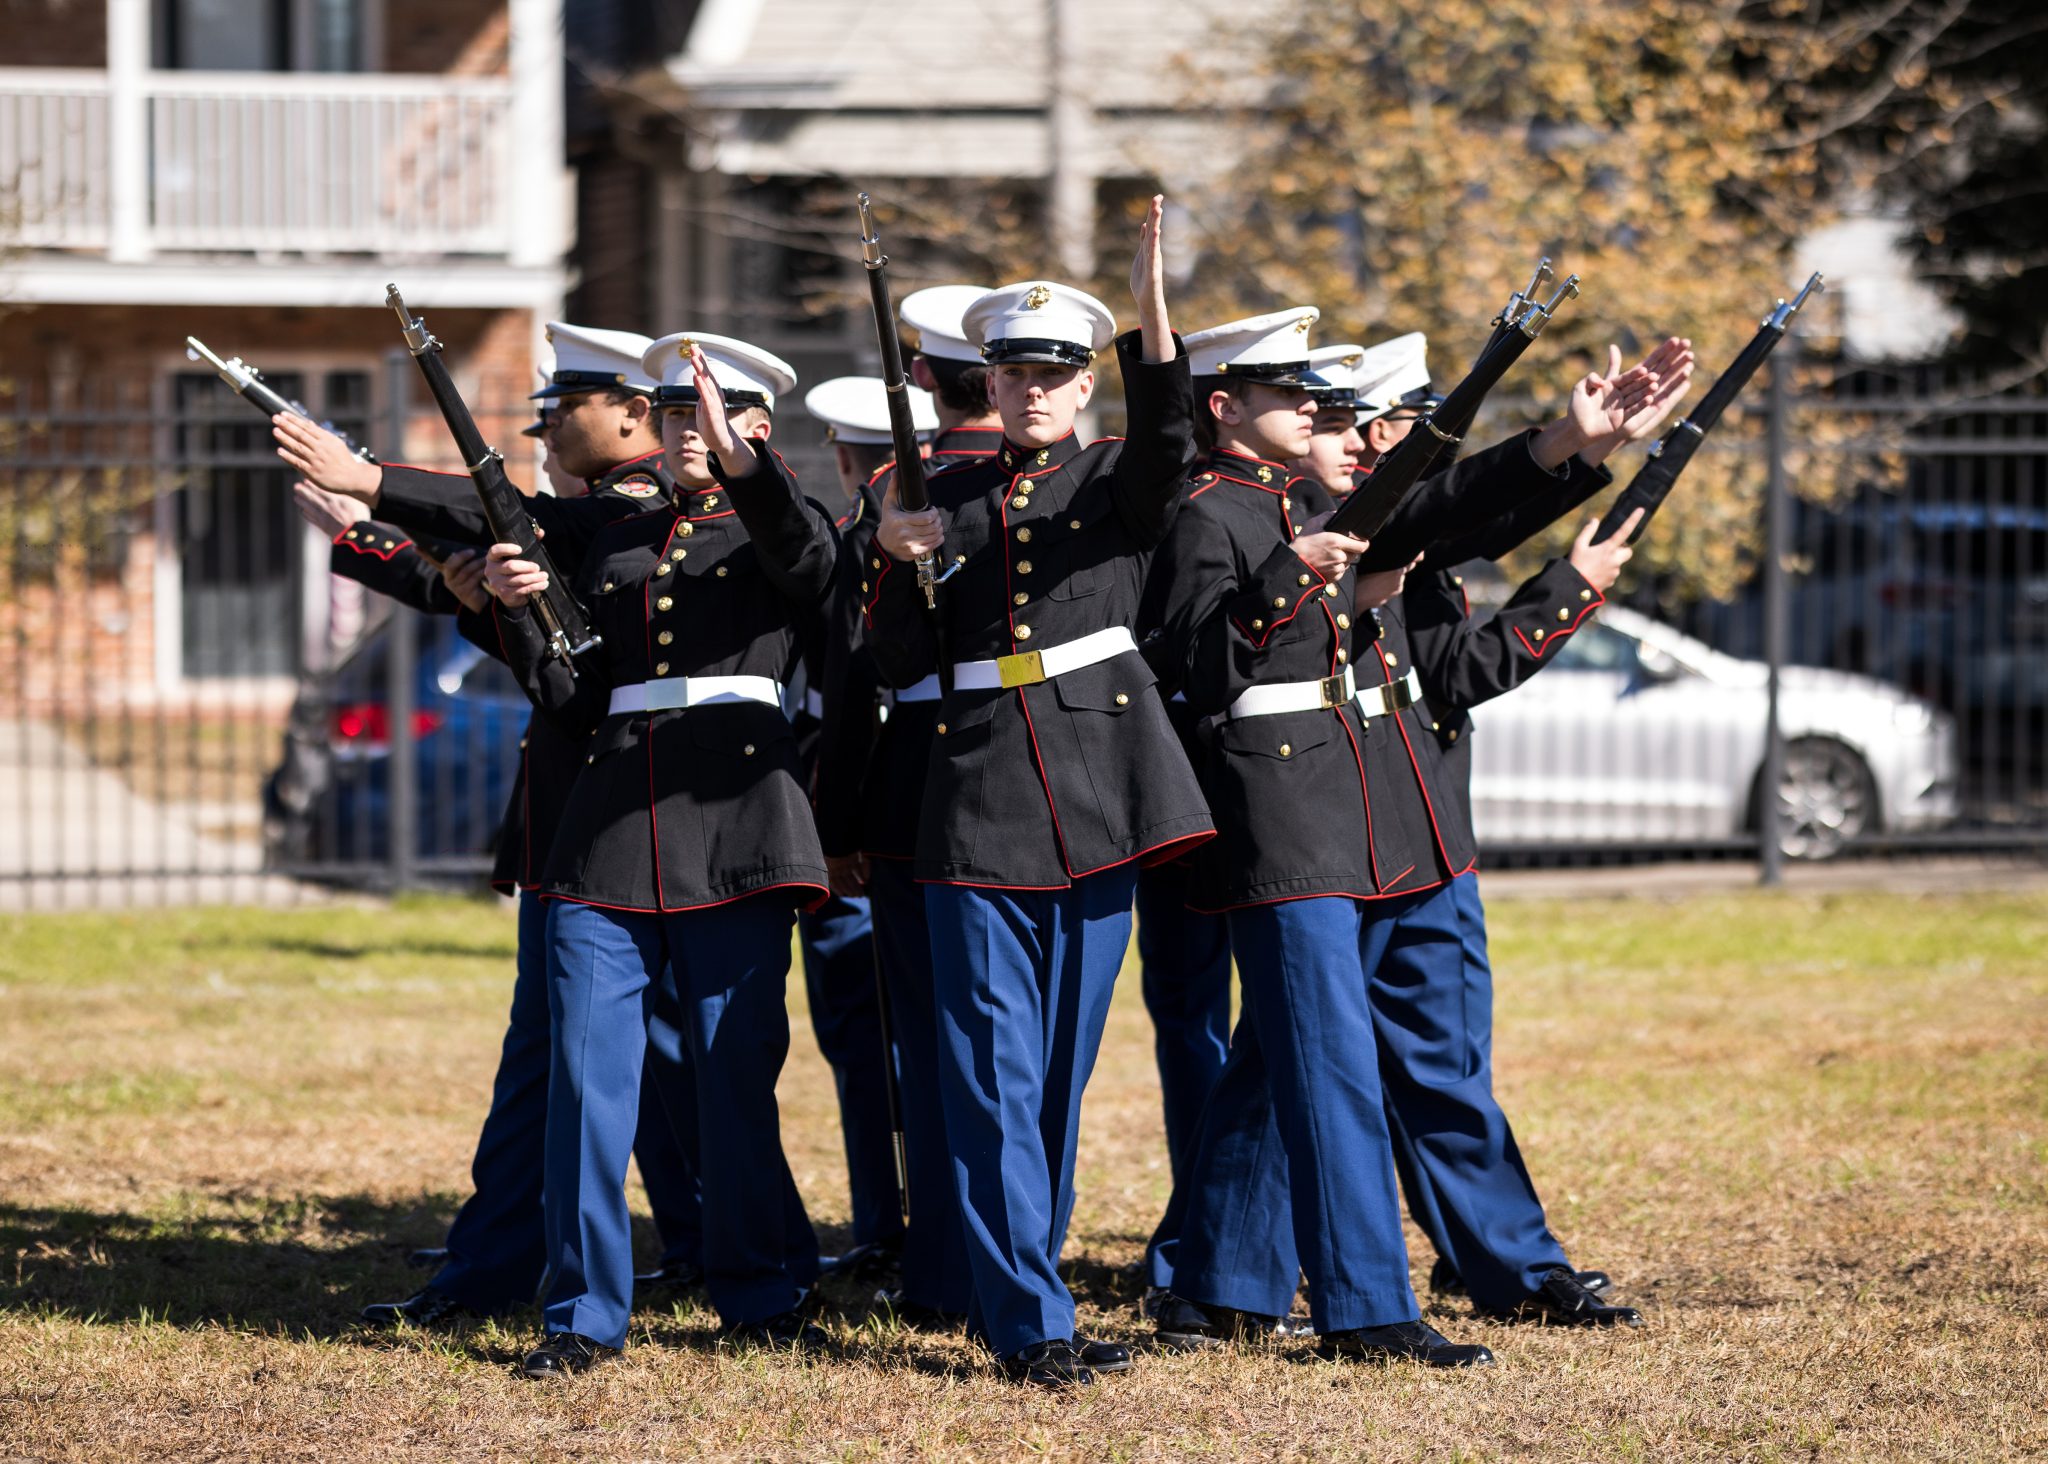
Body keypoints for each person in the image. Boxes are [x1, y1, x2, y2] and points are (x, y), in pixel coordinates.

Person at [1145, 315, 1670, 1364]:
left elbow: (1436, 511)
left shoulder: (1300, 502)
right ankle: (1364, 1308)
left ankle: (1215, 1279)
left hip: (1347, 810)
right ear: (1224, 408)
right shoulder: (1202, 514)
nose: (1323, 419)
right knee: (1329, 1066)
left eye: (1331, 406)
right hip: (1278, 810)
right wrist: (1291, 575)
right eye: (1302, 401)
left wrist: (1557, 448)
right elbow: (1197, 662)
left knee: (1281, 1058)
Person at [284, 325, 708, 1326]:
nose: (546, 430)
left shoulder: (643, 510)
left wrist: (373, 483)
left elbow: (519, 534)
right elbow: (483, 587)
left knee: (635, 1065)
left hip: (632, 822)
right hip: (574, 822)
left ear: (635, 414)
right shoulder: (584, 518)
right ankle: (510, 1258)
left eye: (563, 412)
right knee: (561, 1064)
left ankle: (691, 1247)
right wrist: (366, 531)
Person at [863, 199, 1213, 1389]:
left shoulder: (1115, 483)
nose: (1030, 392)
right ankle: (1026, 1321)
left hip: (1101, 790)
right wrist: (889, 560)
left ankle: (1027, 1274)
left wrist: (1151, 311)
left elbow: (1170, 445)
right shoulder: (936, 503)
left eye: (1054, 374)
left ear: (1083, 390)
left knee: (1056, 1071)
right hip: (971, 799)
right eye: (1011, 372)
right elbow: (890, 664)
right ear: (988, 380)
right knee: (988, 1070)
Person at [483, 332, 835, 1379]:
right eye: (676, 415)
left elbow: (811, 569)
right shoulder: (624, 539)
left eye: (712, 415)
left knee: (731, 1081)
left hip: (734, 827)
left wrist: (743, 468)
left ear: (757, 428)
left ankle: (758, 1292)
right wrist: (520, 615)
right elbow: (573, 694)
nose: (689, 431)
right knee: (589, 1086)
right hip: (607, 833)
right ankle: (583, 1312)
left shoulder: (784, 522)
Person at [810, 288, 1002, 1327]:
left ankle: (919, 1246)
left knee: (911, 1041)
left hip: (900, 793)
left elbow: (852, 683)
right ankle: (964, 1248)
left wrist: (835, 822)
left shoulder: (886, 512)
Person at [788, 374, 939, 1282]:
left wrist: (829, 818)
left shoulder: (844, 549)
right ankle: (911, 1216)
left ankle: (888, 1218)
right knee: (902, 1024)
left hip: (861, 806)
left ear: (844, 460)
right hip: (925, 800)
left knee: (861, 1024)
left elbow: (835, 697)